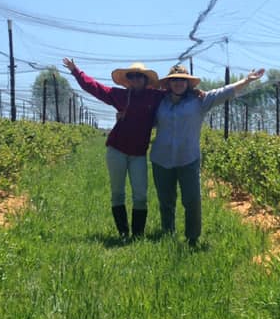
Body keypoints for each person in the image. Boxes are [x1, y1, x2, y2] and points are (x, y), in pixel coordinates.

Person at [150, 63, 265, 247]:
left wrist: (247, 80)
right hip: (161, 158)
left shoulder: (200, 101)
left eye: (182, 80)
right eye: (174, 80)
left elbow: (225, 92)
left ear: (189, 84)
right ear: (169, 83)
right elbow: (142, 113)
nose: (178, 83)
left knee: (192, 199)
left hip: (188, 158)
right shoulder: (159, 103)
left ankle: (192, 238)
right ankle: (167, 234)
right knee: (166, 200)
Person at [62, 57, 166, 239]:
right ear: (128, 80)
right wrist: (75, 71)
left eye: (139, 76)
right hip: (117, 149)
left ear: (146, 80)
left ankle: (138, 235)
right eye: (132, 76)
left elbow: (176, 92)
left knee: (140, 194)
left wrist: (195, 93)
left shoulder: (155, 97)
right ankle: (124, 233)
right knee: (117, 192)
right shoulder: (120, 96)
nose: (136, 79)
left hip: (139, 154)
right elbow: (94, 88)